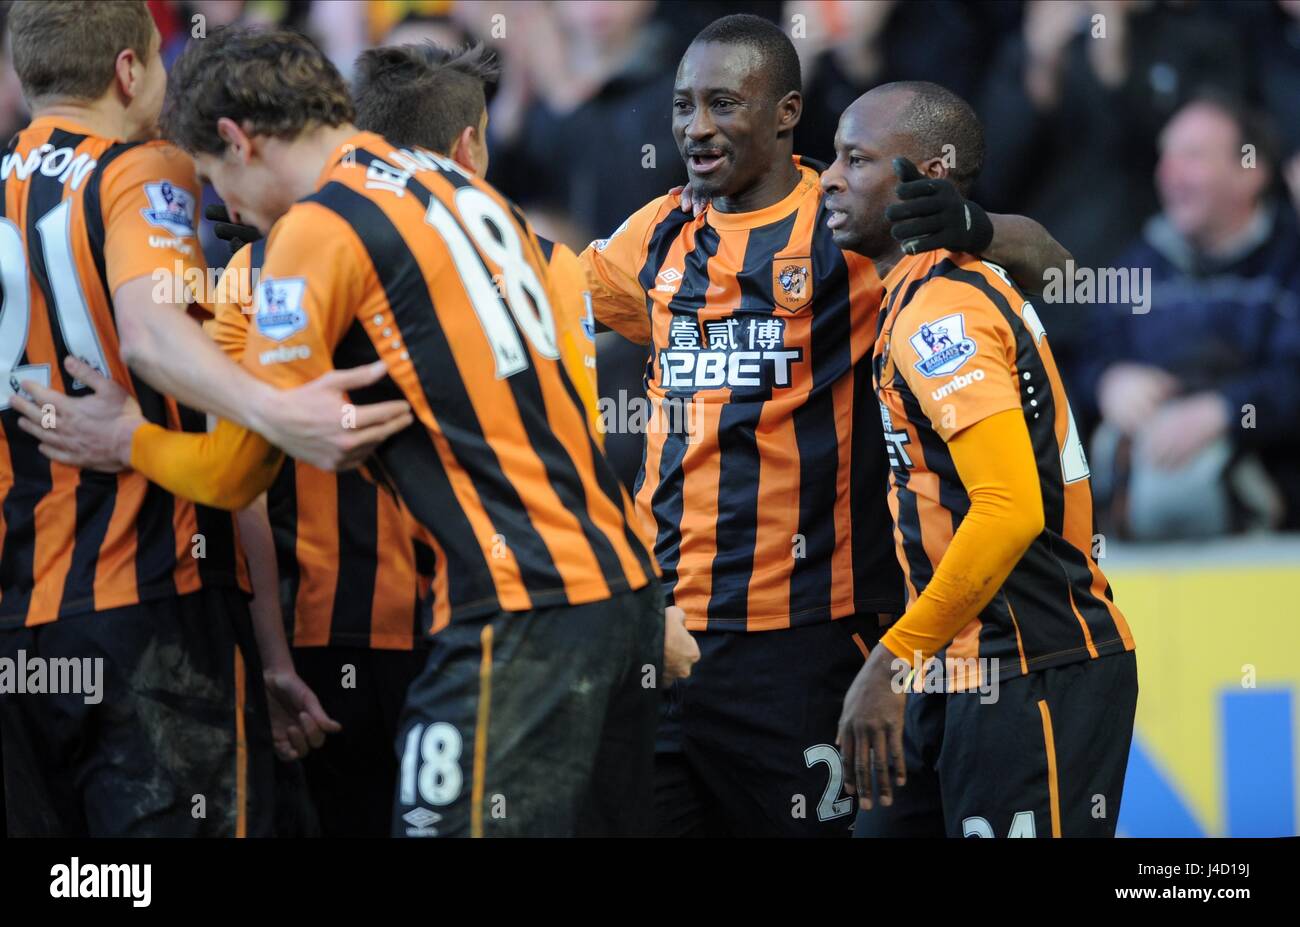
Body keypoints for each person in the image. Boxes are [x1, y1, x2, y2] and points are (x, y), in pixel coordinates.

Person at [51, 24, 664, 837]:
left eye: (211, 176)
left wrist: (127, 436)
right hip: (621, 591)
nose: (225, 207)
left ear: (238, 139)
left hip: (518, 607)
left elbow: (237, 475)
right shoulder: (472, 193)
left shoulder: (314, 233)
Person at [580, 14, 1073, 837]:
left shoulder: (850, 220)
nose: (695, 128)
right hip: (662, 633)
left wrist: (977, 227)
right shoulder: (658, 233)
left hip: (806, 642)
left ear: (785, 112)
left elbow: (1053, 268)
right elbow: (532, 303)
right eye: (682, 106)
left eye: (722, 104)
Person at [0, 0, 323, 836]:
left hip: (19, 628)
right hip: (145, 611)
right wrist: (278, 409)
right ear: (127, 70)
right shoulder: (142, 168)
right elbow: (149, 334)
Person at [822, 81, 1137, 837]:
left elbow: (1010, 508)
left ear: (923, 176)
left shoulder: (943, 309)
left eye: (855, 159)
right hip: (954, 661)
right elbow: (1050, 262)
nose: (829, 176)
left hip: (1031, 660)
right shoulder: (916, 285)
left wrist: (892, 657)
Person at [1078, 95, 1300, 538]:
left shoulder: (1289, 264)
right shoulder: (1134, 265)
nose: (1169, 173)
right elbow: (1078, 362)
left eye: (1193, 156)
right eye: (1166, 156)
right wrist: (1108, 381)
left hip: (1270, 535)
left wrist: (1228, 412)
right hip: (1129, 526)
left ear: (1250, 173)